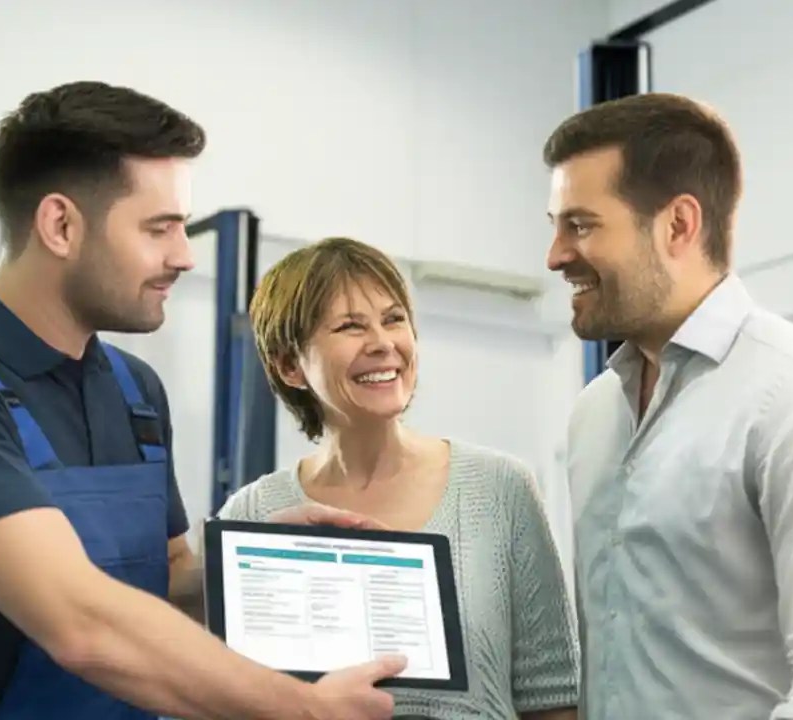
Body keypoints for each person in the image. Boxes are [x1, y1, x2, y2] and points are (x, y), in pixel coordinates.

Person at [0, 80, 406, 720]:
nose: (184, 256)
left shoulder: (133, 387)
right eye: (160, 229)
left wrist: (250, 560)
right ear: (60, 225)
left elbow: (161, 578)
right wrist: (305, 708)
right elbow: (81, 624)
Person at [541, 93, 793, 718]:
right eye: (554, 225)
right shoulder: (595, 414)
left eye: (579, 225)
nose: (554, 254)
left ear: (677, 226)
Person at [216, 236, 581, 720]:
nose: (383, 344)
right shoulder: (253, 515)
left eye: (394, 319)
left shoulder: (500, 490)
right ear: (290, 365)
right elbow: (228, 698)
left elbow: (553, 696)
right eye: (350, 326)